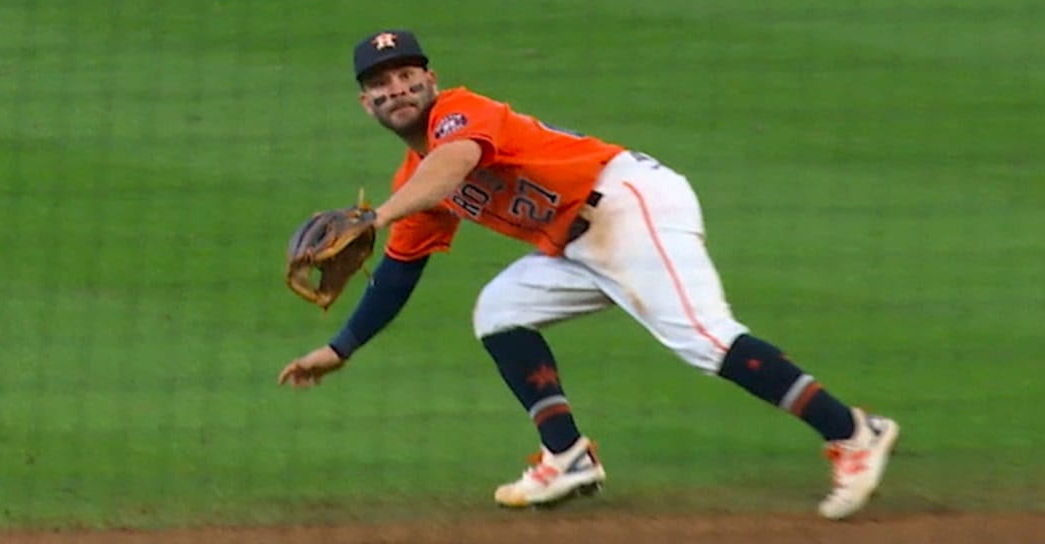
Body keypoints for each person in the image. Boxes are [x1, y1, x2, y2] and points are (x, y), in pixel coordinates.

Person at [277, 29, 900, 520]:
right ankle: (567, 456)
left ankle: (853, 432)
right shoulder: (413, 185)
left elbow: (456, 162)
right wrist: (340, 349)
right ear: (366, 103)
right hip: (578, 245)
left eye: (406, 75)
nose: (396, 89)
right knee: (501, 310)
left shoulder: (460, 114)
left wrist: (376, 216)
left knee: (705, 340)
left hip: (629, 205)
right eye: (379, 84)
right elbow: (397, 274)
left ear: (429, 80)